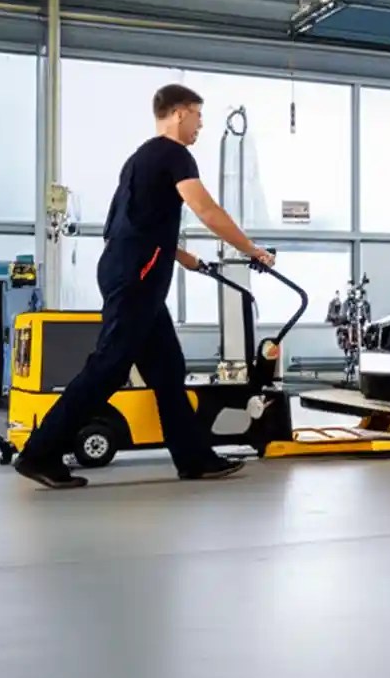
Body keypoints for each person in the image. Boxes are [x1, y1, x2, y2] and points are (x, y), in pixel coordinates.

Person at [14, 84, 276, 489]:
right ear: (177, 113)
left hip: (129, 270)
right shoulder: (174, 155)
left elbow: (134, 225)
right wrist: (252, 250)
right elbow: (205, 209)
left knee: (169, 370)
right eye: (197, 114)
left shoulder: (138, 159)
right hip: (138, 277)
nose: (200, 124)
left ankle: (194, 458)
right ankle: (39, 452)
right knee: (107, 366)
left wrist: (188, 260)